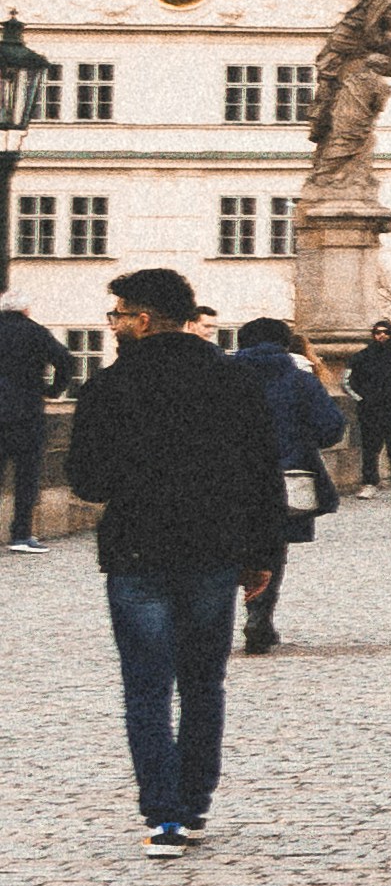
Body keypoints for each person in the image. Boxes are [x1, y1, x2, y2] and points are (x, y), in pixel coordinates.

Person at [64, 271, 286, 852]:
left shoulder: (107, 387)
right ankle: (195, 801)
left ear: (141, 320)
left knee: (145, 687)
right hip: (212, 551)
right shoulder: (234, 380)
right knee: (203, 683)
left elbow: (87, 482)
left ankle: (162, 815)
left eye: (116, 316)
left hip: (137, 551)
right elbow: (264, 475)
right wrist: (261, 554)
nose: (111, 326)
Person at [227, 317, 347, 653]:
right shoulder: (300, 380)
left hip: (230, 477)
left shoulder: (223, 377)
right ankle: (259, 616)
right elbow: (331, 428)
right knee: (273, 547)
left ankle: (218, 617)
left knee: (229, 543)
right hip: (285, 477)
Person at [0, 294, 63, 548]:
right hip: (27, 413)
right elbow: (65, 361)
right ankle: (21, 534)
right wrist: (52, 389)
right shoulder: (35, 332)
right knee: (27, 476)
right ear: (26, 309)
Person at [345, 320, 391, 493]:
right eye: (377, 332)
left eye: (385, 332)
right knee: (370, 447)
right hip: (370, 408)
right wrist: (361, 399)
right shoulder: (362, 356)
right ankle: (370, 483)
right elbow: (347, 382)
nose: (381, 335)